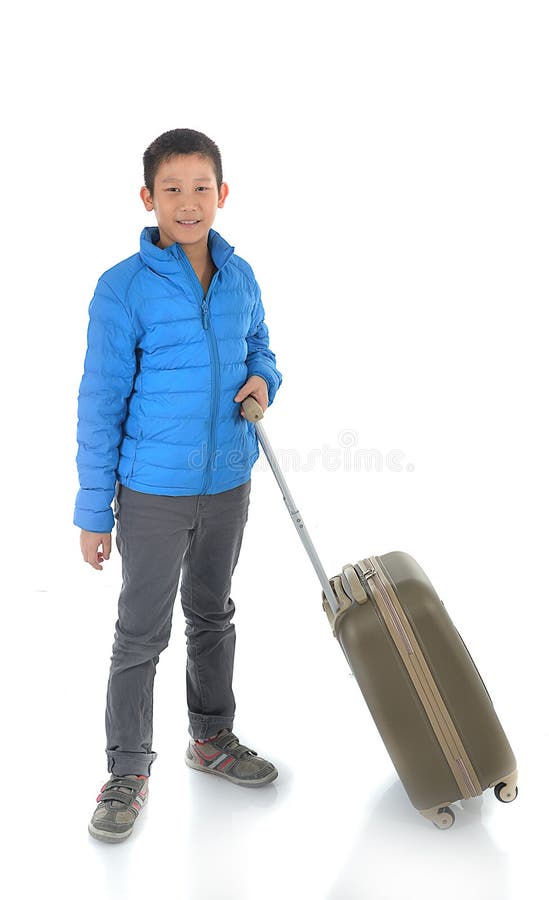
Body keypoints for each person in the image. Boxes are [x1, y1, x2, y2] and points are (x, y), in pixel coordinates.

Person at [74, 128, 283, 843]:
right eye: (173, 190)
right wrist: (93, 511)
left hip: (227, 481)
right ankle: (128, 768)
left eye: (202, 188)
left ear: (222, 195)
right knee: (140, 635)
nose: (188, 203)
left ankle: (211, 739)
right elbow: (99, 405)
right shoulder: (122, 288)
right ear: (148, 198)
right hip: (152, 494)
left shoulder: (240, 275)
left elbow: (262, 347)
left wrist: (266, 379)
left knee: (213, 615)